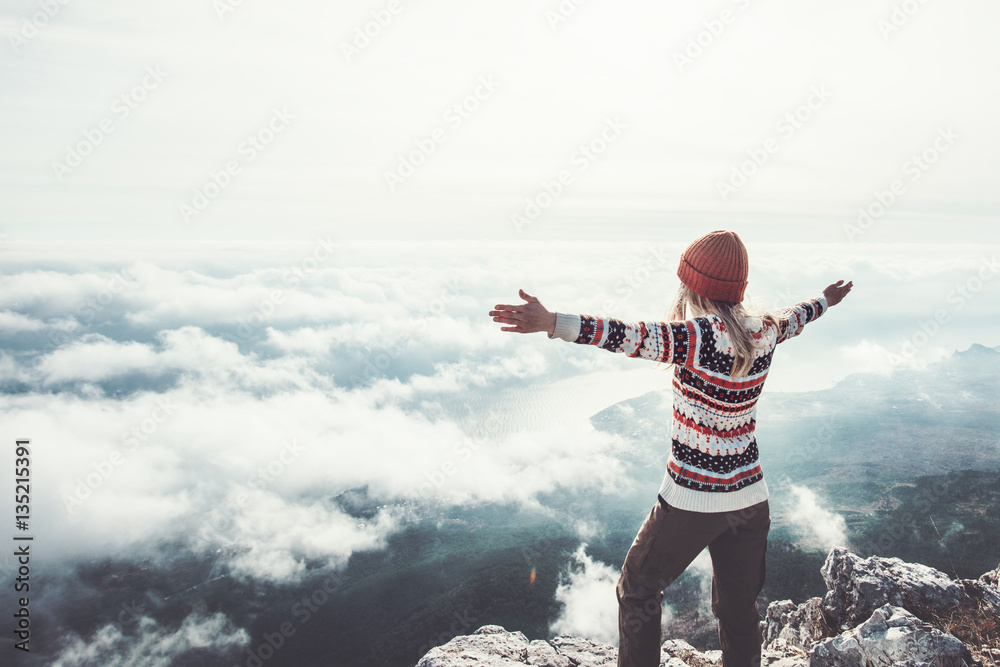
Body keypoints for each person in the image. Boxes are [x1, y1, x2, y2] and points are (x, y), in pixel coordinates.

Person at [488, 230, 853, 667]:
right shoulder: (766, 330)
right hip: (751, 499)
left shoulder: (698, 337)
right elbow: (797, 316)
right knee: (738, 608)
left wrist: (553, 322)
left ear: (694, 286)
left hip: (692, 499)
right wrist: (826, 300)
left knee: (637, 588)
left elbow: (627, 335)